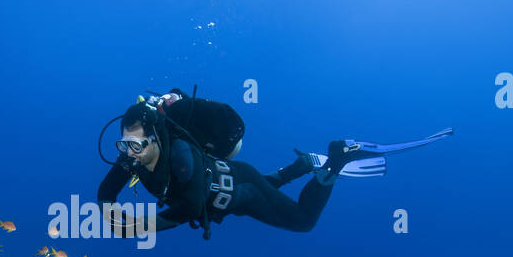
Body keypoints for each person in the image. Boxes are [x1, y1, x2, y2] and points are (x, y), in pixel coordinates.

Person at [97, 90, 452, 239]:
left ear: (156, 137)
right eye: (124, 144)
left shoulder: (181, 159)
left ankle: (336, 160)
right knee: (257, 187)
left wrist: (137, 227)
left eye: (136, 144)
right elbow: (105, 192)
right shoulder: (134, 157)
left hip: (240, 190)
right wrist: (110, 215)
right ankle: (299, 167)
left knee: (302, 221)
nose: (129, 152)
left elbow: (188, 206)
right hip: (231, 188)